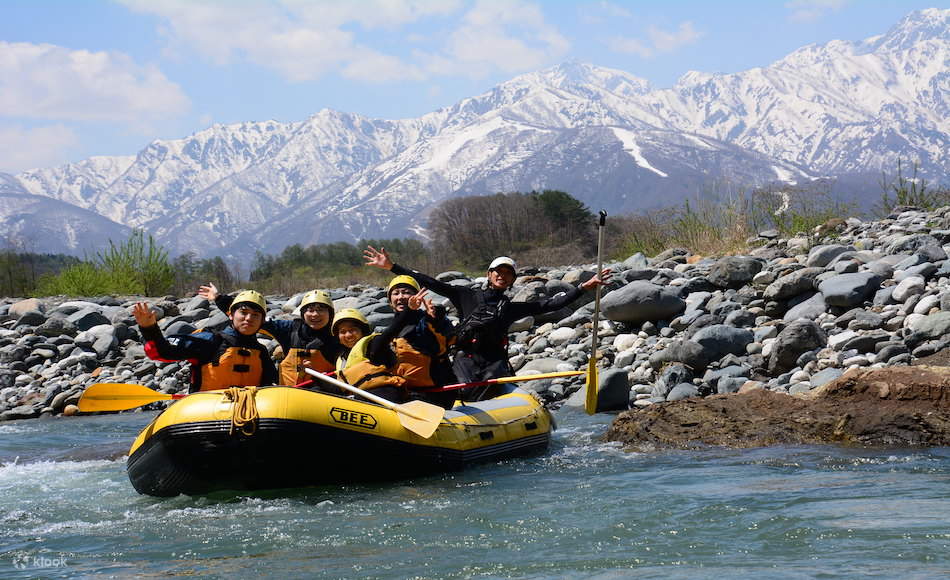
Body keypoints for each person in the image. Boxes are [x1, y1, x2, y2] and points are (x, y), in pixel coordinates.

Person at [364, 246, 612, 398]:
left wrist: (583, 287)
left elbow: (551, 304)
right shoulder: (465, 295)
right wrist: (392, 267)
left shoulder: (512, 308)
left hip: (494, 361)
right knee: (466, 390)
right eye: (498, 272)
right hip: (464, 357)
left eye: (508, 274)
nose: (502, 277)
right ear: (489, 274)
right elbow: (429, 281)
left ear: (512, 280)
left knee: (486, 389)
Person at [133, 290, 277, 393]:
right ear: (231, 315)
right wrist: (149, 329)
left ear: (261, 321)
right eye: (244, 313)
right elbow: (164, 351)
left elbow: (271, 386)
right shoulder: (210, 340)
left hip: (248, 413)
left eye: (255, 315)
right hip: (208, 411)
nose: (249, 318)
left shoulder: (260, 352)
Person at [199, 283, 340, 385]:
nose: (315, 314)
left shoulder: (338, 336)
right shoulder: (289, 330)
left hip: (323, 395)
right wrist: (219, 298)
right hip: (288, 396)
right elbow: (251, 319)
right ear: (303, 314)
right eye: (310, 310)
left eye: (321, 310)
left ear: (330, 314)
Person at [384, 275, 458, 409]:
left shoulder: (425, 320)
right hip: (405, 392)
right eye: (396, 293)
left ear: (418, 297)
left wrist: (435, 319)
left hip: (434, 393)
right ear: (390, 301)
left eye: (406, 292)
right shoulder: (391, 328)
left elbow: (445, 337)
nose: (400, 297)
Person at [330, 308, 407, 403]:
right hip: (357, 401)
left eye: (353, 330)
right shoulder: (340, 360)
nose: (348, 335)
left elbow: (390, 332)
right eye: (342, 332)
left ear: (362, 331)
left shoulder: (373, 345)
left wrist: (408, 311)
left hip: (385, 394)